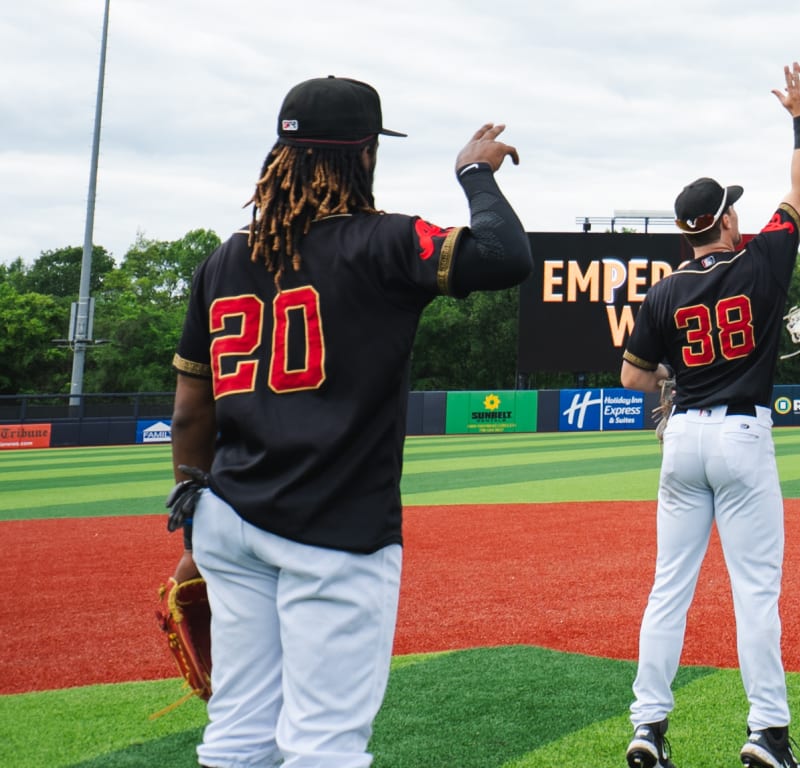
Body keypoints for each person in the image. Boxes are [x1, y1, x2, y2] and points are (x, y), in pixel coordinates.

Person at [168, 75, 532, 767]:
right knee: (325, 744)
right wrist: (472, 175)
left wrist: (196, 523)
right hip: (334, 528)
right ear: (364, 155)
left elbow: (191, 412)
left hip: (228, 517)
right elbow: (506, 255)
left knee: (238, 731)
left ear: (281, 152)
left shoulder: (224, 259)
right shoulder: (387, 242)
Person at [619, 61, 800, 768]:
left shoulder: (663, 293)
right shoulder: (760, 260)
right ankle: (767, 732)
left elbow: (632, 374)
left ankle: (647, 727)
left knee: (668, 590)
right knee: (754, 593)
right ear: (728, 220)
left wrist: (669, 399)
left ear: (683, 231)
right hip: (740, 433)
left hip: (684, 438)